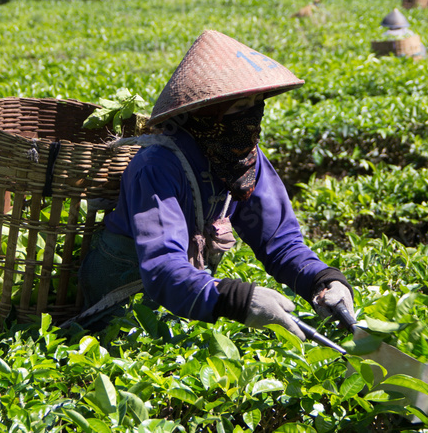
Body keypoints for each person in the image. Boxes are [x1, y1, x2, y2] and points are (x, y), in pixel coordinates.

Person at [76, 30, 354, 338]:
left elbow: (279, 242)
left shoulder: (241, 160)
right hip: (115, 305)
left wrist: (323, 281)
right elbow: (163, 267)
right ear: (204, 114)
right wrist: (237, 300)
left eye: (254, 104)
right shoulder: (156, 166)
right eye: (237, 108)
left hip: (183, 301)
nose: (249, 119)